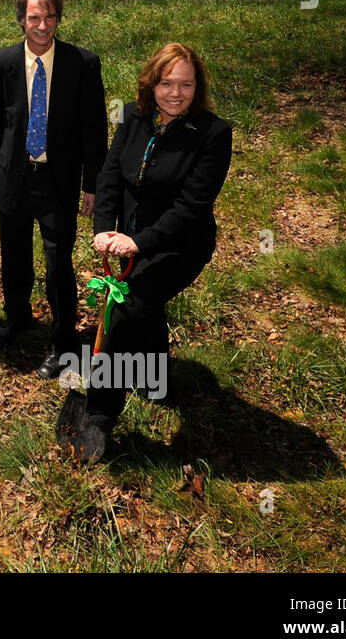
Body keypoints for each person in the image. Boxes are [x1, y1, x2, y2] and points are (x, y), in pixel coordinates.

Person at [68, 42, 234, 463]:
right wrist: (105, 226)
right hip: (129, 240)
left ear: (198, 87)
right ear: (151, 83)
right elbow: (110, 175)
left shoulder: (213, 135)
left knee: (124, 312)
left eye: (185, 84)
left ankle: (100, 413)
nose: (175, 93)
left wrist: (138, 243)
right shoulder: (132, 115)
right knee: (144, 306)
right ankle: (156, 380)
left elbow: (191, 208)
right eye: (166, 83)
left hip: (179, 246)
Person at [0, 0, 107, 378]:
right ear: (21, 20)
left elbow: (93, 128)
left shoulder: (81, 64)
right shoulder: (1, 63)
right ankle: (16, 318)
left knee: (58, 264)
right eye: (34, 17)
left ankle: (62, 340)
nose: (42, 25)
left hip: (59, 182)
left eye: (50, 16)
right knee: (14, 255)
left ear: (58, 19)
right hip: (13, 178)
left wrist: (92, 184)